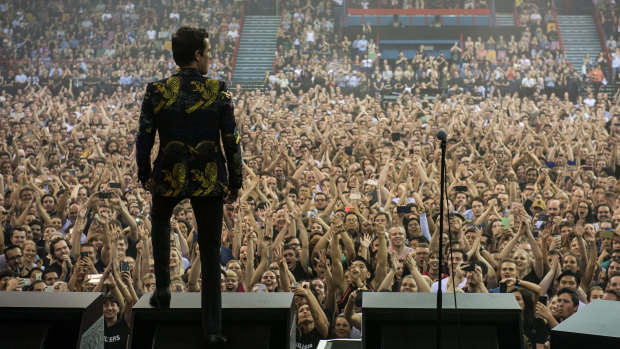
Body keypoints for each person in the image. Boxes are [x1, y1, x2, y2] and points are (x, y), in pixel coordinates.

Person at [136, 26, 242, 347]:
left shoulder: (156, 91)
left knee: (160, 224)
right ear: (197, 55)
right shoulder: (218, 91)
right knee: (210, 250)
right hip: (208, 176)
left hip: (168, 172)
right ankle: (211, 328)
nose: (210, 57)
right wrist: (235, 181)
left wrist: (144, 172)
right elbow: (231, 141)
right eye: (208, 52)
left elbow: (144, 137)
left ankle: (163, 290)